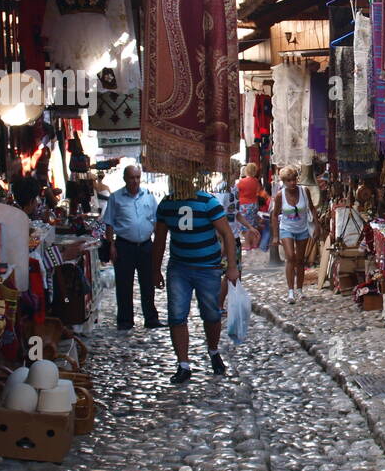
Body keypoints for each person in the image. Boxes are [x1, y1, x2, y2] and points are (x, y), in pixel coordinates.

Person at [152, 177, 239, 384]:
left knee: (211, 313)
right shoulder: (167, 204)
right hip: (179, 267)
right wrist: (155, 270)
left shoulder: (208, 202)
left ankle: (213, 350)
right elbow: (160, 239)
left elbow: (227, 234)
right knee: (176, 314)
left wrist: (232, 267)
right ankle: (183, 365)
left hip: (208, 268)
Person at [100, 164, 161, 330]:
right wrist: (111, 245)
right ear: (125, 179)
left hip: (146, 246)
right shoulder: (116, 198)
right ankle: (125, 320)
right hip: (124, 246)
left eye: (137, 177)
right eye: (131, 178)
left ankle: (151, 318)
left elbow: (156, 220)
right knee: (124, 284)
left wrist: (157, 243)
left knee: (148, 283)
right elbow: (109, 223)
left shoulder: (148, 196)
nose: (135, 181)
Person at [271, 166, 315, 302]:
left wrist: (317, 226)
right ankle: (290, 292)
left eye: (294, 179)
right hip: (286, 228)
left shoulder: (304, 191)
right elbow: (274, 215)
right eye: (289, 180)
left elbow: (312, 208)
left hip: (302, 229)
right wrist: (276, 235)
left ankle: (300, 290)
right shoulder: (280, 195)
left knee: (301, 260)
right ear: (284, 181)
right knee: (291, 256)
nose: (292, 183)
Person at [234, 162, 264, 251]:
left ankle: (247, 244)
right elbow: (258, 191)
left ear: (246, 170)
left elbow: (235, 191)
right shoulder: (256, 181)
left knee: (245, 227)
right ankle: (254, 243)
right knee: (252, 225)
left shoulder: (242, 181)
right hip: (254, 204)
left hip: (244, 205)